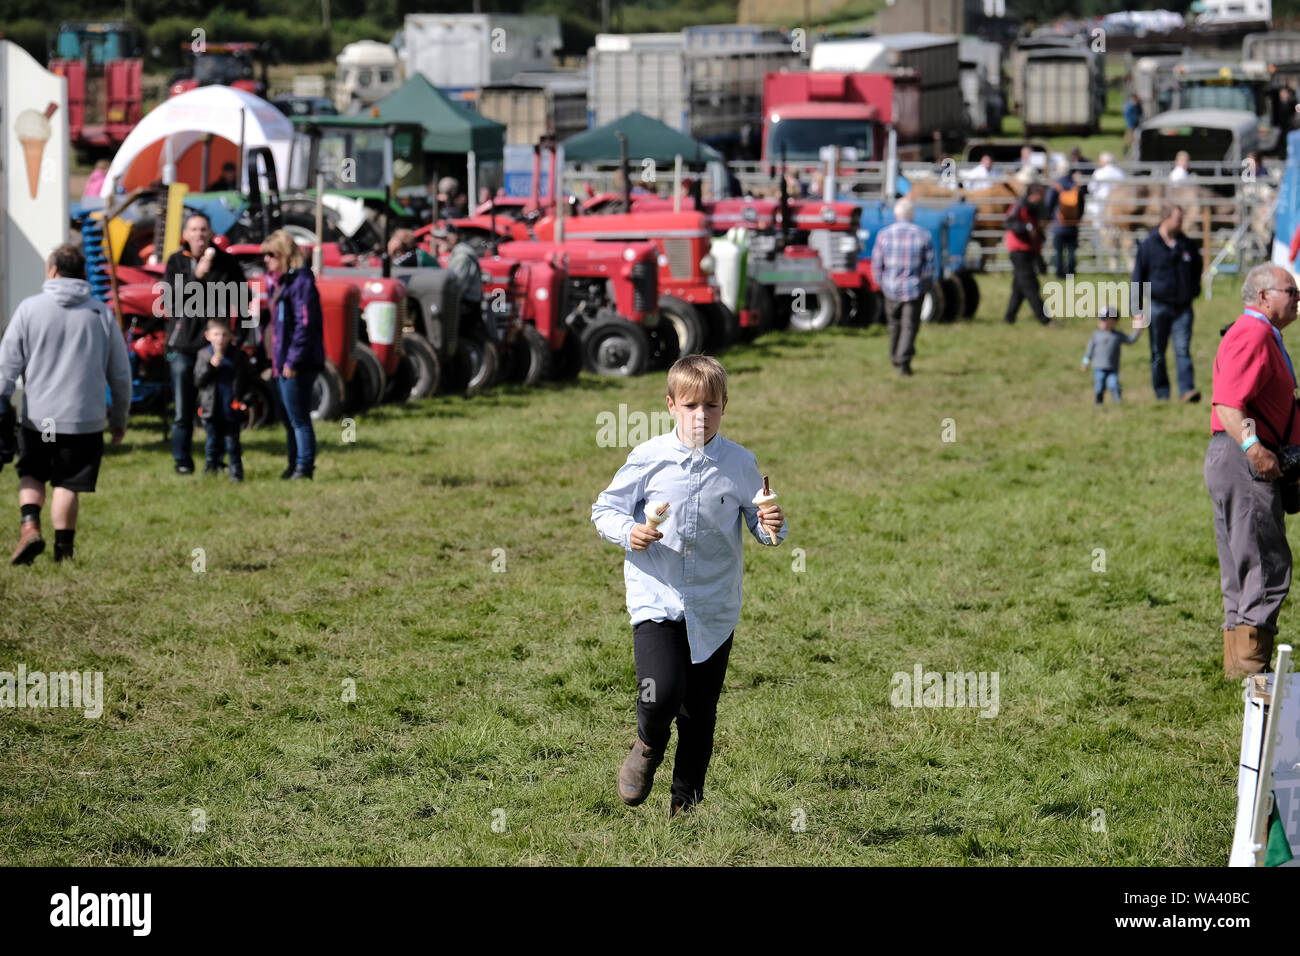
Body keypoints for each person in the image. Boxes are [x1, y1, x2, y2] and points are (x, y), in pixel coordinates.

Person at [591, 354, 787, 817]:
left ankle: (685, 807)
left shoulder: (740, 463)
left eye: (712, 406)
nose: (702, 416)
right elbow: (605, 509)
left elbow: (760, 526)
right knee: (659, 692)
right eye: (691, 405)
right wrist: (629, 532)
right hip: (657, 595)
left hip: (715, 605)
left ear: (725, 406)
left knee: (699, 711)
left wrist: (771, 525)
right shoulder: (648, 458)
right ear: (671, 405)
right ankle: (646, 744)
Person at [0, 244, 131, 564]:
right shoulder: (100, 313)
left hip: (41, 419)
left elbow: (6, 366)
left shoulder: (30, 309)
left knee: (33, 472)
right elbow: (120, 373)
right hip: (84, 420)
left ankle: (30, 525)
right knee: (67, 481)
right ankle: (63, 553)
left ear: (53, 270)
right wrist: (119, 417)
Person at [1204, 263, 1300, 679]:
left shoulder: (1258, 333)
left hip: (1234, 457)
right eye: (1291, 291)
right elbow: (1228, 403)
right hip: (1245, 458)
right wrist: (1255, 448)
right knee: (1265, 561)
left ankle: (1238, 667)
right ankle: (1252, 670)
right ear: (1263, 296)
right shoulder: (1254, 332)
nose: (1298, 299)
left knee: (1243, 562)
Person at [163, 212, 246, 475]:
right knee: (183, 411)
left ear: (211, 234)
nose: (199, 234)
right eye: (194, 229)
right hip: (184, 347)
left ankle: (216, 461)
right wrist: (195, 277)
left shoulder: (226, 263)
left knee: (219, 408)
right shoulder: (176, 262)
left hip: (215, 346)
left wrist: (240, 337)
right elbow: (170, 303)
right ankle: (183, 462)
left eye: (203, 229)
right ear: (185, 235)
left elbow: (243, 301)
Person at [261, 230, 325, 480]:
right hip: (280, 361)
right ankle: (293, 464)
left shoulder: (301, 282)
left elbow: (304, 325)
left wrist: (292, 361)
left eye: (271, 254)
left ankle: (304, 467)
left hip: (296, 362)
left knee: (299, 418)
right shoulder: (279, 282)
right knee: (287, 418)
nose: (266, 260)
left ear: (284, 255)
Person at [1132, 205, 1202, 402]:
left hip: (1182, 308)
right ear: (1165, 219)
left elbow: (1197, 269)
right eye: (1177, 219)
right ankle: (1162, 394)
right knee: (1157, 353)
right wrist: (1137, 310)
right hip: (1157, 306)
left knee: (1182, 350)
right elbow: (1138, 278)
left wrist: (1194, 291)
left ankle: (1187, 391)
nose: (1181, 223)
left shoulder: (1187, 245)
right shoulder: (1149, 245)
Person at [871, 197, 936, 376]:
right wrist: (926, 285)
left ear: (896, 214)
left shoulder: (884, 234)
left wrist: (881, 282)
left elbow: (877, 263)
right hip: (913, 288)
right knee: (909, 326)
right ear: (912, 215)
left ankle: (895, 356)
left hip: (890, 287)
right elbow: (929, 267)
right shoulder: (923, 235)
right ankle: (903, 361)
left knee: (894, 325)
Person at [194, 317, 251, 483]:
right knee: (212, 443)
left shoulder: (237, 356)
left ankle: (236, 474)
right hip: (211, 408)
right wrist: (211, 366)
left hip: (230, 409)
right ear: (208, 336)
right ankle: (211, 471)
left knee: (232, 444)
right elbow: (198, 381)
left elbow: (247, 381)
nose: (220, 338)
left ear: (230, 336)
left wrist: (245, 400)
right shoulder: (204, 355)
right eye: (216, 334)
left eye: (224, 334)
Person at [1003, 182, 1054, 326]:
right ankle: (1045, 320)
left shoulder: (1035, 209)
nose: (1043, 199)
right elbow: (1008, 223)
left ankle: (1009, 318)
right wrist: (1025, 227)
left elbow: (1037, 236)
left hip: (1029, 251)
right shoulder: (1020, 205)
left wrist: (1041, 264)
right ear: (1034, 195)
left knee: (1019, 288)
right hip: (1019, 251)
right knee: (1031, 287)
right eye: (1041, 196)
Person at [1081, 306, 1142, 404]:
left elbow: (1130, 340)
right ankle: (1098, 403)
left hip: (1112, 368)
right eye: (1100, 319)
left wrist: (1138, 330)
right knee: (1099, 386)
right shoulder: (1096, 335)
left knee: (1114, 384)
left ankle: (1118, 402)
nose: (1101, 321)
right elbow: (1089, 351)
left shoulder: (1117, 335)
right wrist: (1085, 363)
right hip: (1098, 368)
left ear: (1114, 321)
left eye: (1104, 319)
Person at [1047, 164, 1086, 279]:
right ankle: (1070, 274)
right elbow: (1082, 205)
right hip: (1072, 225)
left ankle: (1059, 274)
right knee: (1071, 251)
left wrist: (1050, 218)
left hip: (1058, 224)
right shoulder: (1075, 186)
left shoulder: (1055, 186)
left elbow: (1049, 203)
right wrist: (1078, 218)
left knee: (1058, 251)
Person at [1088, 152, 1126, 272]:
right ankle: (1116, 261)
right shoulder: (1120, 173)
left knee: (1101, 232)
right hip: (1118, 208)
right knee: (1117, 233)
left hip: (1102, 207)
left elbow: (1091, 188)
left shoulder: (1099, 173)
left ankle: (1100, 258)